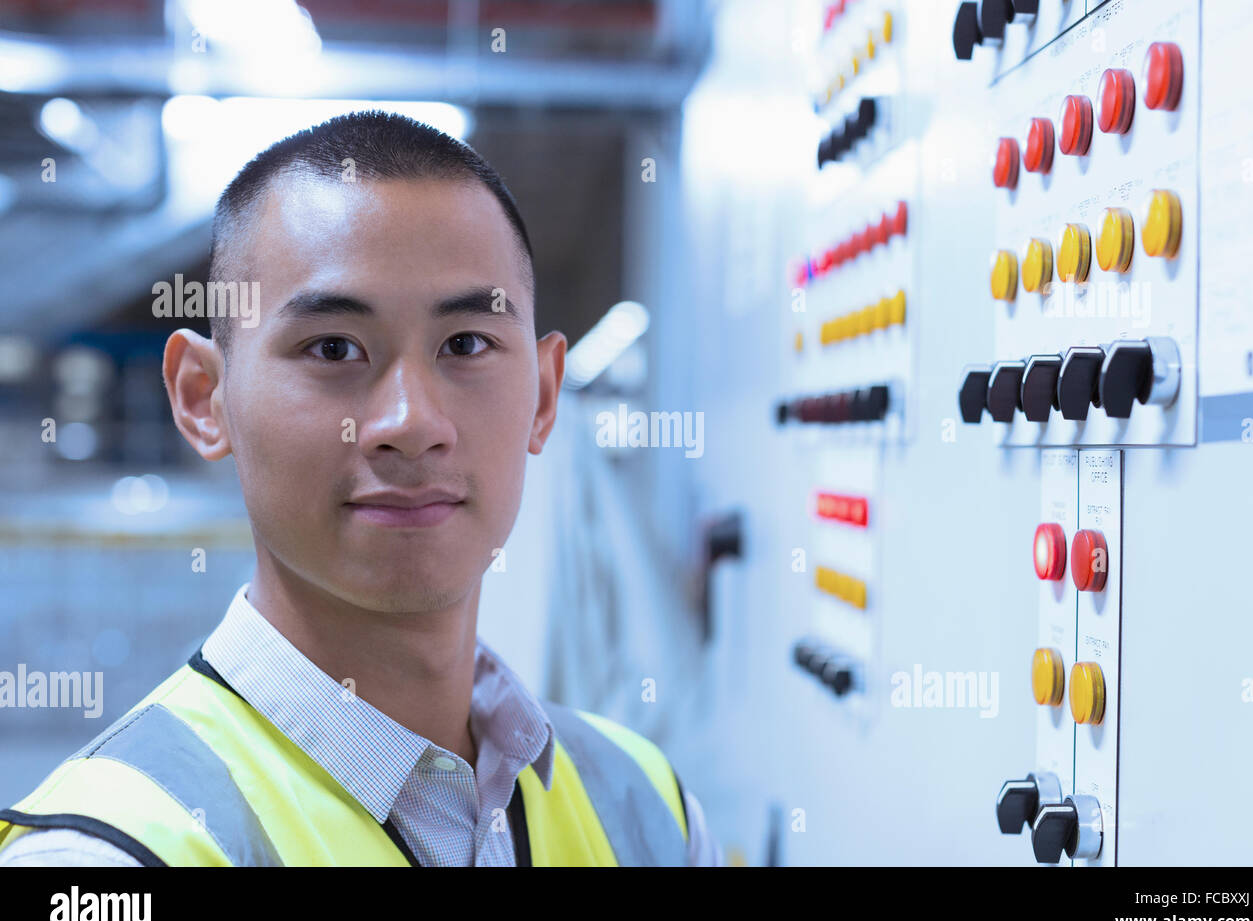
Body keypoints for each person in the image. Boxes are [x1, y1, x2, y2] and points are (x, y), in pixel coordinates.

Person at [0, 111, 723, 867]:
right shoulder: (109, 858)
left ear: (543, 398)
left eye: (466, 344)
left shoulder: (649, 810)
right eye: (334, 348)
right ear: (203, 399)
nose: (411, 423)